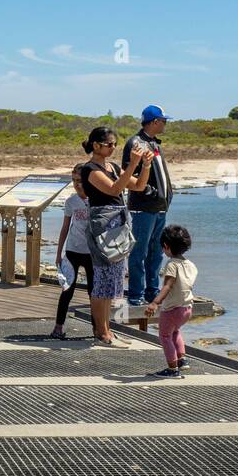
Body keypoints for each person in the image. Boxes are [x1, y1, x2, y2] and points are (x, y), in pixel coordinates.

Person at [80, 127, 153, 348]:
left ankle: (107, 330)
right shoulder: (90, 169)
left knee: (114, 279)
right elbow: (113, 190)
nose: (113, 148)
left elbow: (138, 185)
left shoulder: (111, 166)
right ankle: (102, 332)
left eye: (114, 144)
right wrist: (132, 164)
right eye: (109, 144)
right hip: (103, 225)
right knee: (103, 279)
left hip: (118, 224)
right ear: (96, 146)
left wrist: (146, 165)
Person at [123, 104, 175, 306]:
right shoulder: (136, 143)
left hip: (159, 207)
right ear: (154, 121)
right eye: (164, 120)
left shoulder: (153, 143)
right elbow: (130, 176)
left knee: (155, 252)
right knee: (139, 252)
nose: (165, 124)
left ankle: (152, 292)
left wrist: (166, 196)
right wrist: (152, 194)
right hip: (144, 208)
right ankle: (135, 294)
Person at [143, 225, 197, 377]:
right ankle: (182, 360)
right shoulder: (191, 265)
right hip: (187, 309)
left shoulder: (172, 264)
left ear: (166, 246)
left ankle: (172, 368)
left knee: (165, 336)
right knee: (175, 331)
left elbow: (167, 286)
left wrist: (155, 302)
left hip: (172, 310)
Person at [49, 162, 94, 339]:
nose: (77, 184)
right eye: (74, 180)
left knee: (94, 293)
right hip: (73, 251)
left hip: (92, 253)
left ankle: (97, 329)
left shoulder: (96, 199)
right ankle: (58, 328)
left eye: (80, 180)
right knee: (67, 290)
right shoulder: (71, 201)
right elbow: (65, 227)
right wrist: (59, 252)